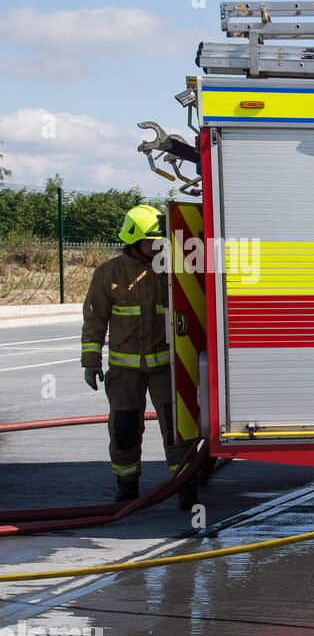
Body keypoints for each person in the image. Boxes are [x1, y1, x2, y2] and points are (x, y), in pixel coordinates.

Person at [82, 205, 194, 505]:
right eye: (152, 241)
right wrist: (91, 362)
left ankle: (184, 487)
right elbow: (95, 320)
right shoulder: (108, 274)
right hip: (124, 373)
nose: (159, 245)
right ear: (133, 241)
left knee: (178, 432)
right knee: (125, 430)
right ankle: (127, 487)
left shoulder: (172, 269)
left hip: (166, 369)